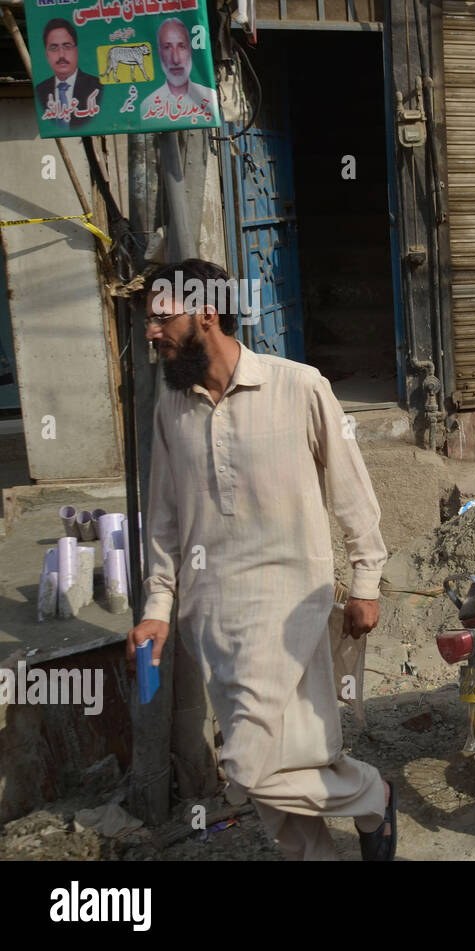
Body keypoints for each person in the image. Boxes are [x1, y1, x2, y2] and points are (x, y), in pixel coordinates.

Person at [125, 259, 395, 861]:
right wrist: (159, 607)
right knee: (278, 760)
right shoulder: (171, 409)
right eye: (147, 322)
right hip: (213, 617)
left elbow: (351, 487)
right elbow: (164, 515)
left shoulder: (299, 385)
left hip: (293, 609)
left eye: (161, 319)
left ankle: (371, 795)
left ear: (206, 314)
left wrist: (365, 580)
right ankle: (353, 819)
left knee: (255, 765)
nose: (151, 333)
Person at [140, 18, 218, 121]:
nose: (175, 59)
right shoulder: (147, 105)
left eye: (181, 46)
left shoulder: (210, 98)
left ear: (190, 50)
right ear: (159, 52)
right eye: (167, 47)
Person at [35, 19, 102, 130]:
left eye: (67, 46)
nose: (61, 55)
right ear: (46, 54)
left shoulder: (97, 88)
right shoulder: (40, 91)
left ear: (76, 50)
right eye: (54, 47)